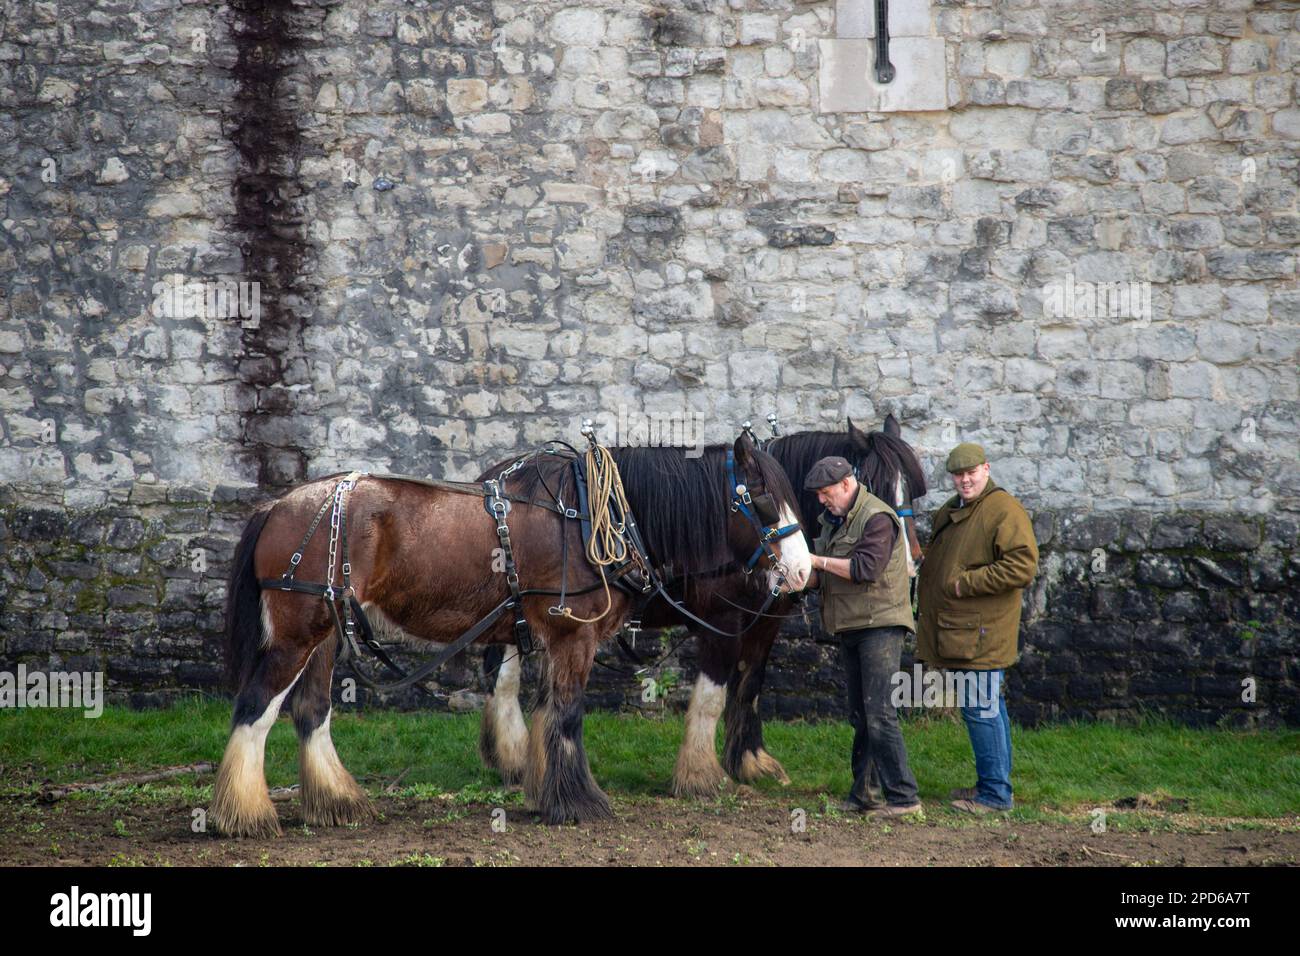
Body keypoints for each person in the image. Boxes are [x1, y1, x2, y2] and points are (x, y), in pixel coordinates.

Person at [916, 443, 1039, 814]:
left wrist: (963, 583)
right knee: (988, 708)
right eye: (958, 475)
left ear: (986, 469)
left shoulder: (1003, 509)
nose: (965, 480)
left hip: (981, 632)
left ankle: (995, 796)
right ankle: (993, 785)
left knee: (981, 710)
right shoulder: (958, 508)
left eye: (971, 473)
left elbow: (1022, 566)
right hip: (965, 629)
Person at [806, 455, 922, 819]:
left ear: (845, 485)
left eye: (826, 493)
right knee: (861, 715)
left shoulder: (877, 517)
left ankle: (904, 798)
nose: (822, 501)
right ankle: (865, 794)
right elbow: (821, 575)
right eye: (818, 495)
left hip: (881, 626)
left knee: (880, 714)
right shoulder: (833, 522)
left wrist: (815, 562)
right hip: (853, 625)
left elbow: (864, 569)